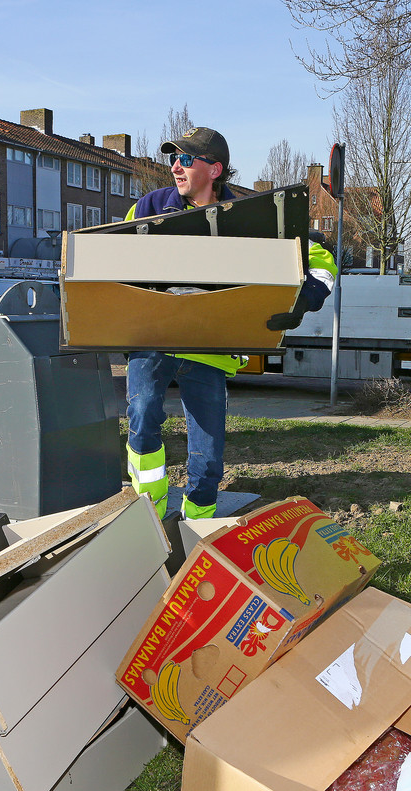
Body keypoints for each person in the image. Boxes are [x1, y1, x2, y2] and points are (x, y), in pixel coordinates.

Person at [123, 126, 337, 519]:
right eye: (173, 158)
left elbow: (320, 257)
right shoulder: (149, 206)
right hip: (153, 338)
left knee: (207, 454)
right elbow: (116, 260)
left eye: (186, 159)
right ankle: (147, 512)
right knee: (142, 414)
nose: (175, 167)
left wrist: (303, 299)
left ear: (215, 169)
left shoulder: (250, 214)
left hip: (212, 344)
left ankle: (197, 525)